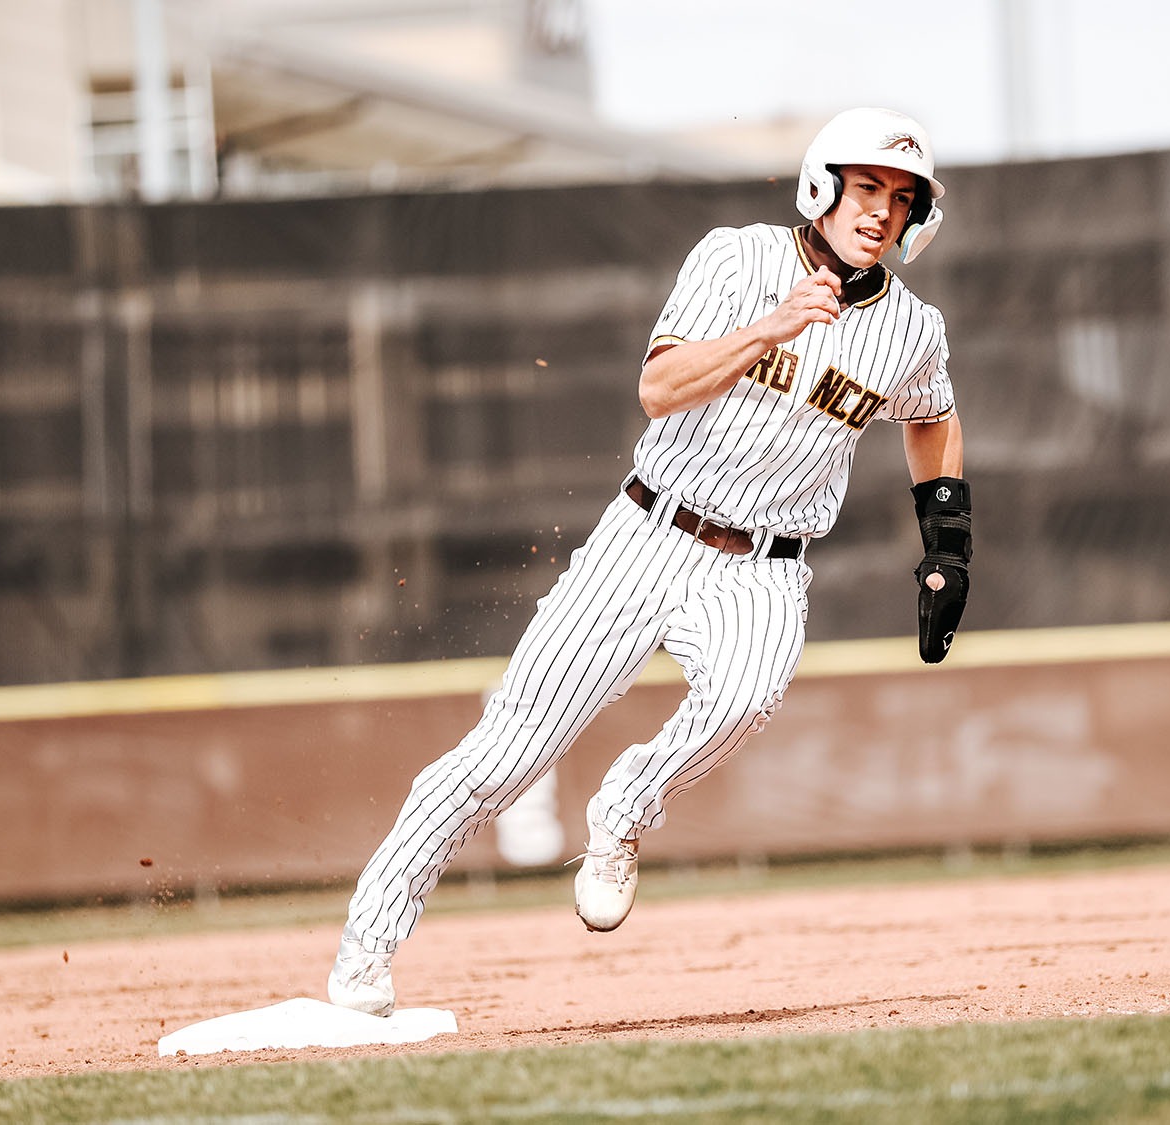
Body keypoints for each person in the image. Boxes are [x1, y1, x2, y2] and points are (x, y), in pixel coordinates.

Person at [330, 108, 972, 1015]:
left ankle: (625, 805)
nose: (881, 212)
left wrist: (949, 541)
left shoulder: (911, 327)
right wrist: (769, 329)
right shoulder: (737, 259)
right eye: (867, 187)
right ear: (822, 187)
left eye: (902, 200)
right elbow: (657, 388)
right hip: (648, 534)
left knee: (749, 691)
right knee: (503, 759)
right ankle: (368, 942)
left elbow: (932, 414)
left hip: (765, 561)